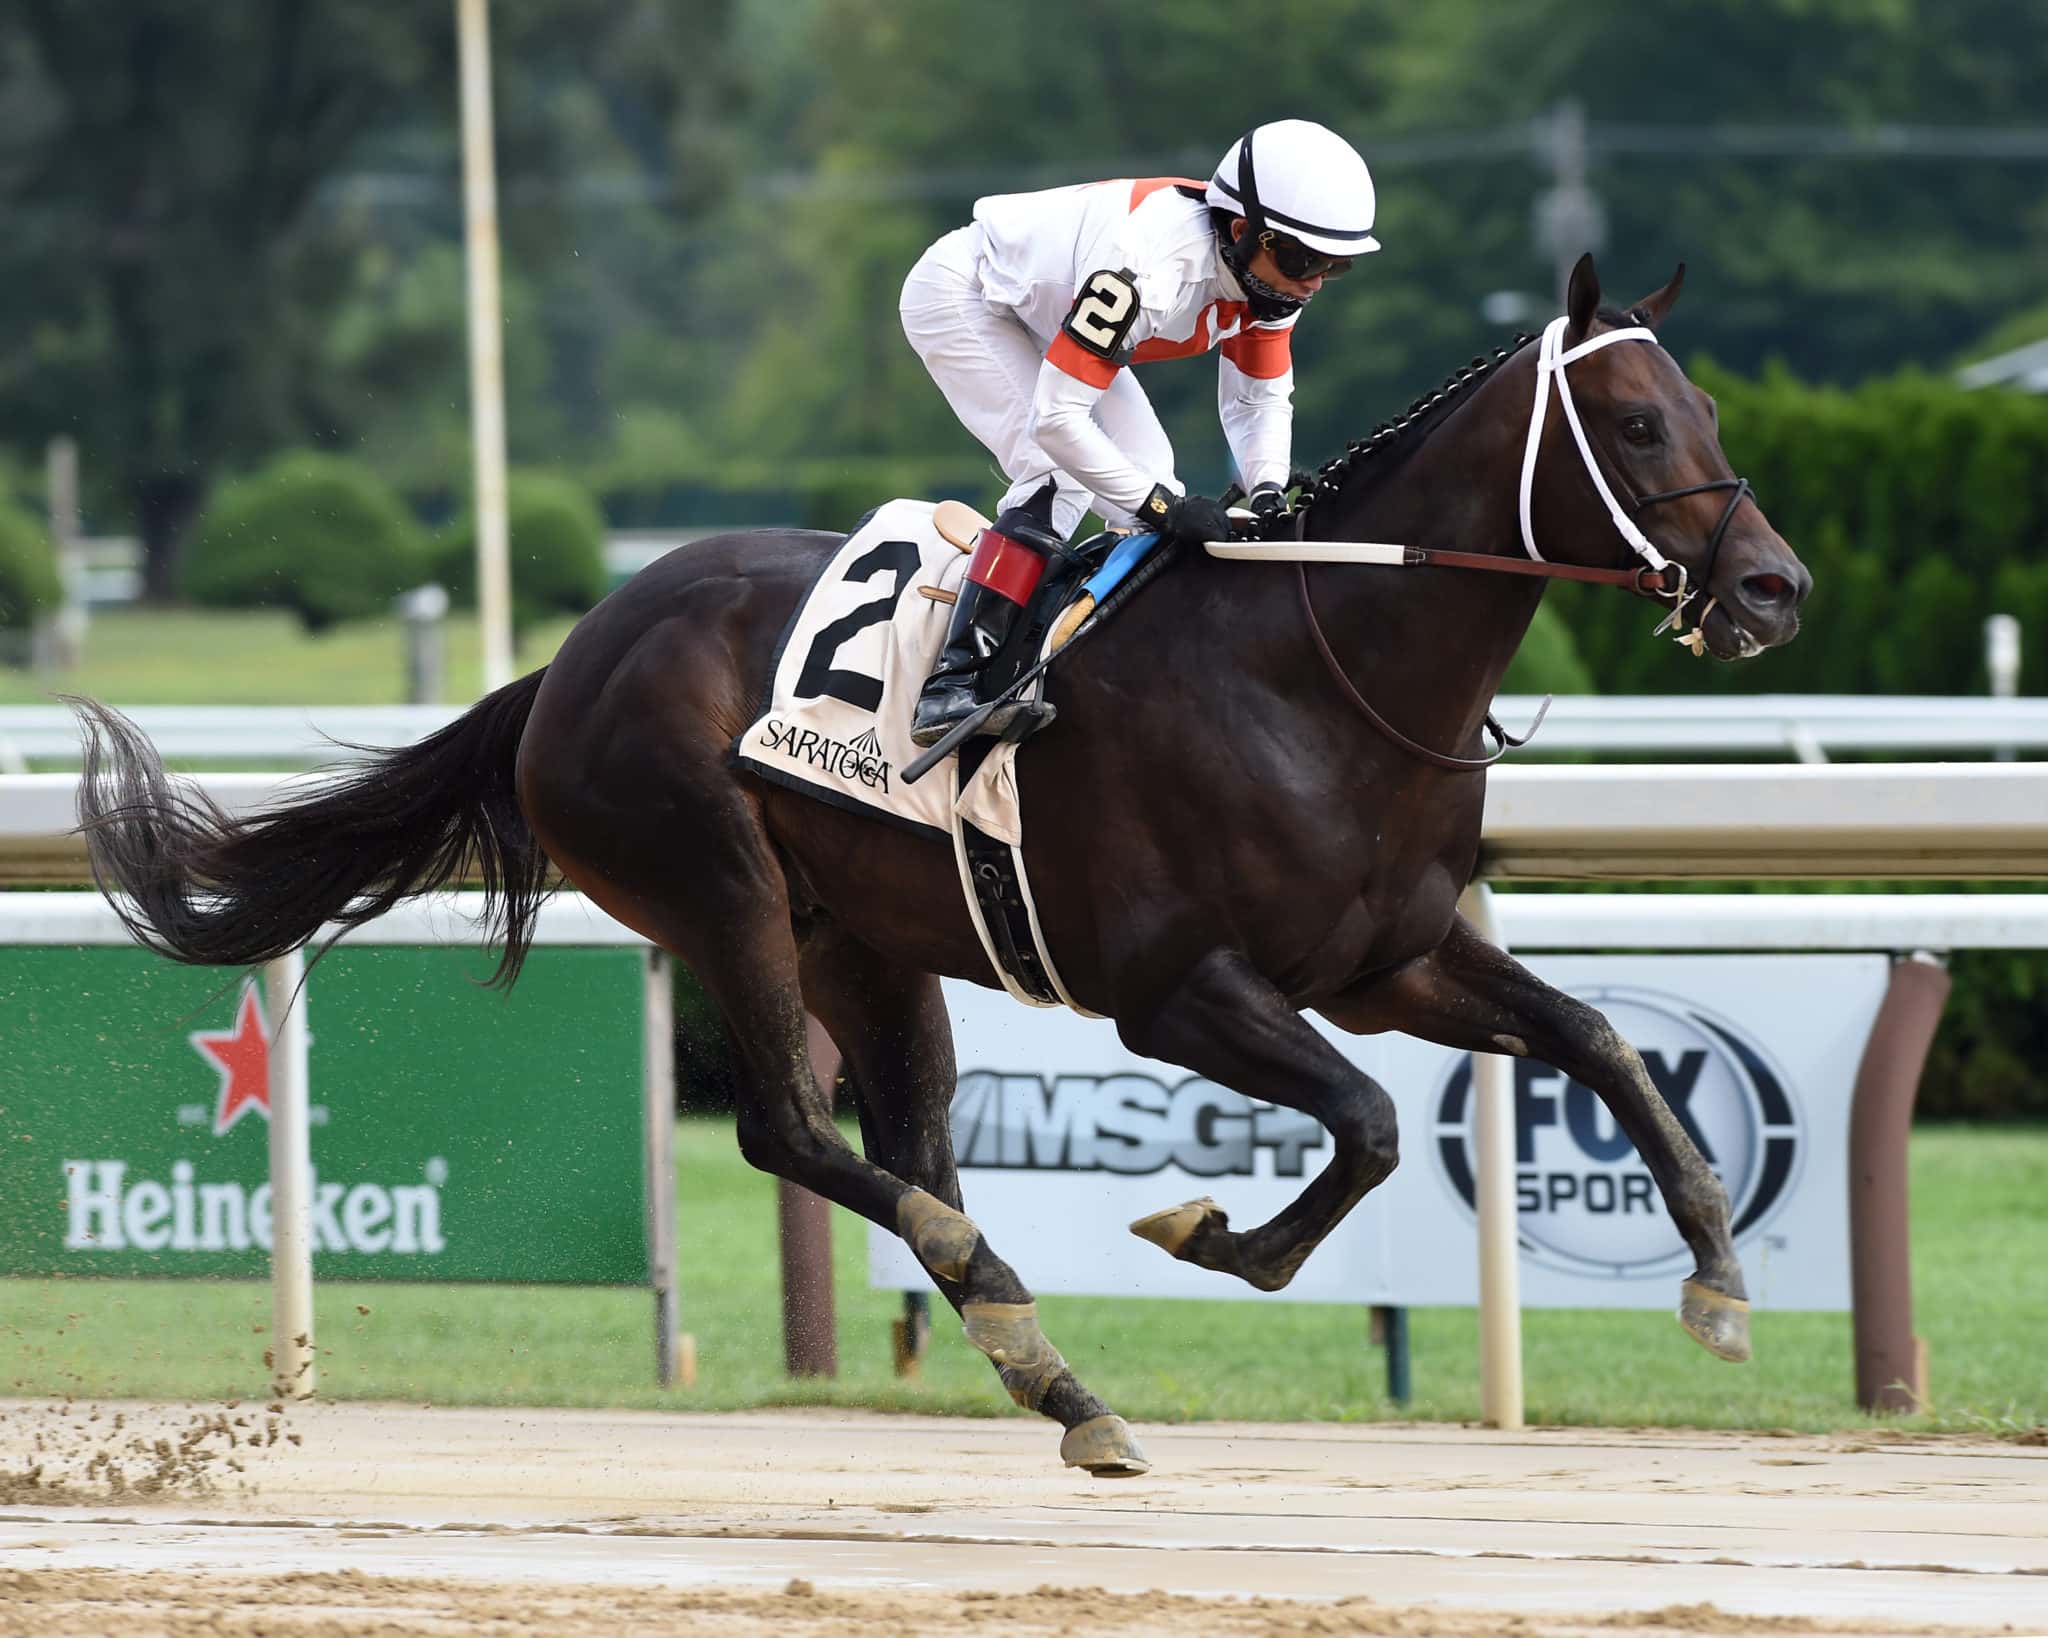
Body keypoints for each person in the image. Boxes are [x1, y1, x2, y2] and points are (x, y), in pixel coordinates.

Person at [899, 118, 1379, 747]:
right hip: (968, 296)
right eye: (1301, 258)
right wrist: (1166, 511)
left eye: (1333, 266)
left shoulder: (1267, 282)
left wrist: (1265, 489)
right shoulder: (1148, 270)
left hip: (1051, 315)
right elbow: (1057, 420)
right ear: (1241, 232)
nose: (1313, 281)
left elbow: (1259, 402)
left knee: (1151, 474)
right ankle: (953, 684)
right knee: (1063, 472)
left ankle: (1105, 659)